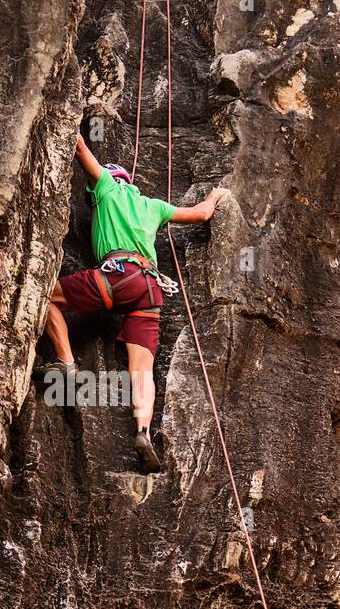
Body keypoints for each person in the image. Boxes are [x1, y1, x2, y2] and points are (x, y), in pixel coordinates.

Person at [40, 132, 224, 472]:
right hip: (150, 288)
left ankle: (66, 364)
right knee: (142, 370)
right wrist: (216, 194)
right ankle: (143, 432)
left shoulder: (107, 188)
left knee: (42, 295)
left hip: (118, 274)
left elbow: (80, 147)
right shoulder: (152, 206)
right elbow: (200, 214)